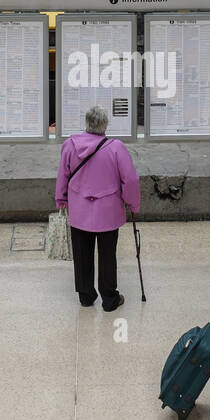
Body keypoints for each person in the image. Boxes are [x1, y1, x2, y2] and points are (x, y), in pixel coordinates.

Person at [55, 106, 141, 311]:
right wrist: (133, 204)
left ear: (86, 122)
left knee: (82, 254)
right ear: (105, 125)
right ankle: (110, 299)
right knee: (107, 255)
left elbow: (62, 176)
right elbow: (130, 179)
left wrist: (61, 199)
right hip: (108, 212)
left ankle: (86, 296)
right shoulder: (116, 147)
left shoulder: (70, 145)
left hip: (79, 211)